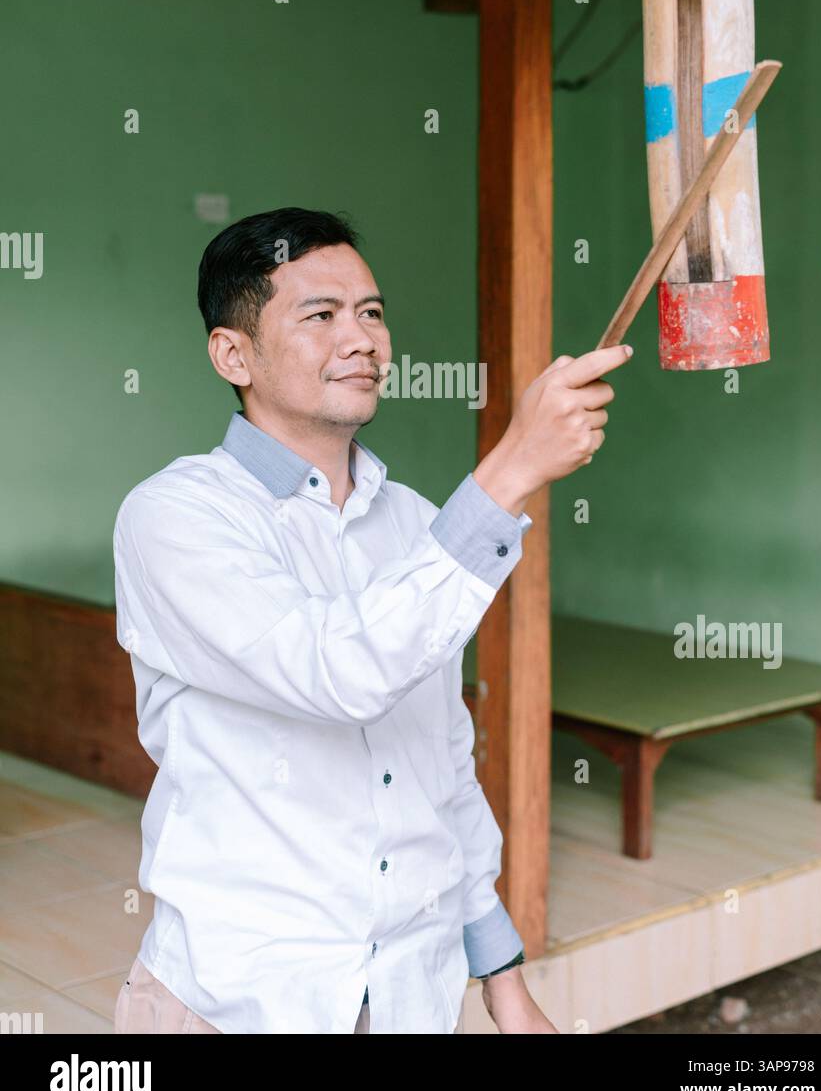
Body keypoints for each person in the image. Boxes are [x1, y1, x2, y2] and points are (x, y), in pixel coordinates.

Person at [112, 207, 632, 1034]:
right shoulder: (173, 518)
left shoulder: (419, 524)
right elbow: (337, 672)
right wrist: (512, 467)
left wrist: (500, 979)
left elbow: (441, 765)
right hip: (237, 998)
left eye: (372, 313)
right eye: (320, 315)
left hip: (407, 1000)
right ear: (231, 352)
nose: (362, 339)